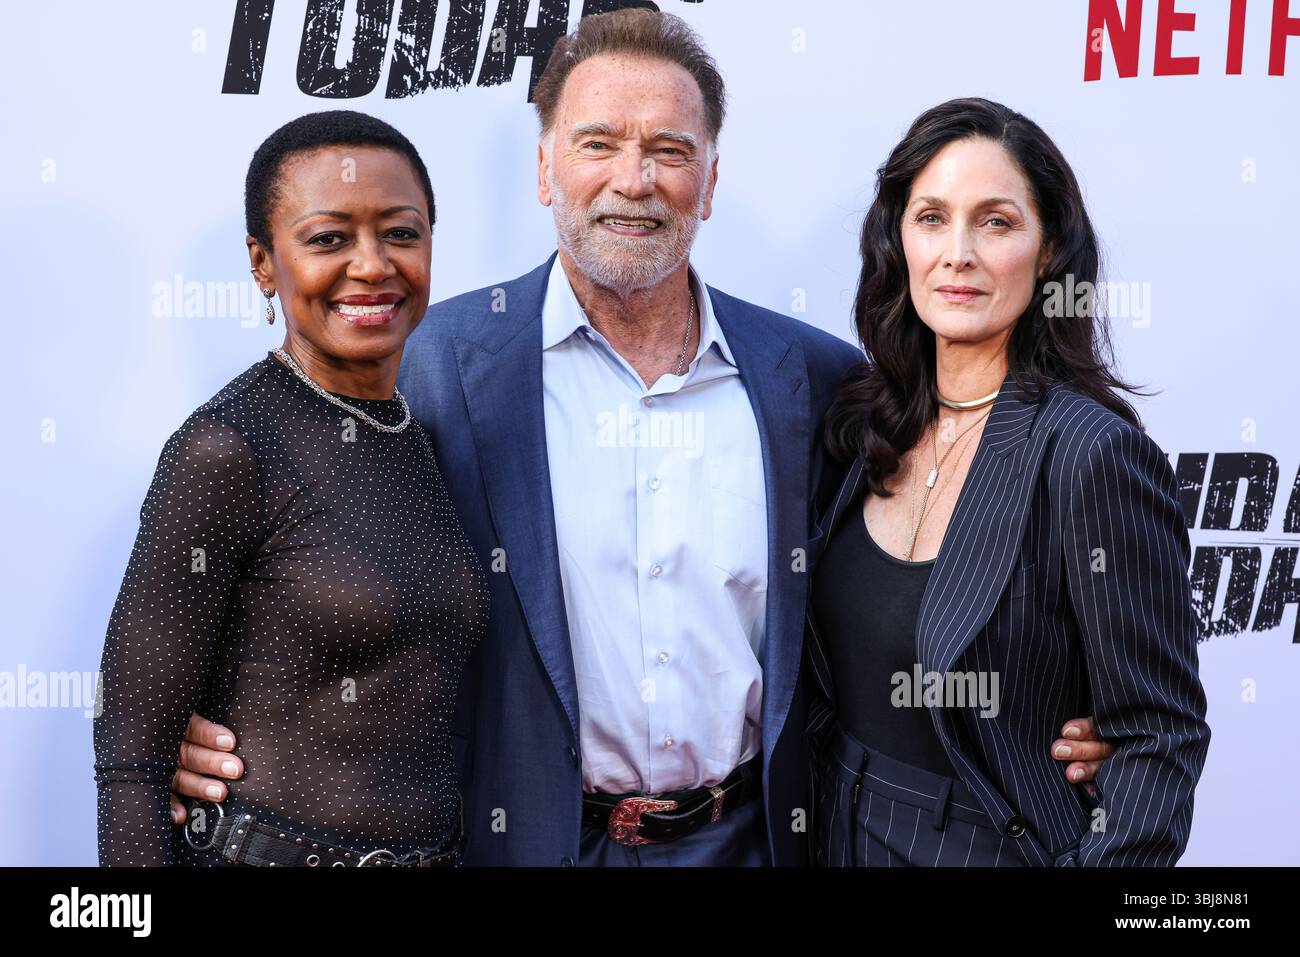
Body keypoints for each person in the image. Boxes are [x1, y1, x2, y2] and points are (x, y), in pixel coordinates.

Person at [167, 11, 1109, 866]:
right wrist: (213, 724)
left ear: (709, 178)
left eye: (669, 147)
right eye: (598, 143)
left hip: (758, 842)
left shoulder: (819, 380)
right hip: (523, 845)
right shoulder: (430, 363)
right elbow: (314, 556)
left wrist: (1053, 717)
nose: (635, 177)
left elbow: (907, 590)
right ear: (543, 169)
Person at [806, 97, 1211, 867]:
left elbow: (1161, 737)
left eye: (996, 221)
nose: (958, 252)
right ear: (899, 237)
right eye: (931, 217)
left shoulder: (1090, 455)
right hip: (834, 829)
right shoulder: (860, 423)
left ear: (1049, 248)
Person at [92, 110, 488, 866]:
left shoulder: (423, 438)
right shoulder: (226, 450)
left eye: (400, 233)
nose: (371, 265)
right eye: (328, 238)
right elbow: (132, 763)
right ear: (264, 263)